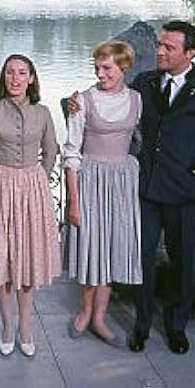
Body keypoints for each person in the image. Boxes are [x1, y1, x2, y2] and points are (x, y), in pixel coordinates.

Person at [67, 21, 195, 355]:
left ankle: (176, 326)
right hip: (144, 190)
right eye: (160, 45)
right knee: (140, 260)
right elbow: (109, 91)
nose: (160, 51)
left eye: (169, 47)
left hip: (185, 191)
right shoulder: (145, 83)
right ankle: (142, 325)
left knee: (182, 261)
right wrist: (73, 102)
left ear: (190, 53)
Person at [0, 54, 60, 357]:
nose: (16, 78)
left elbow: (51, 151)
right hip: (0, 185)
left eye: (22, 73)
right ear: (3, 77)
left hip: (32, 188)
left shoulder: (43, 112)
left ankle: (26, 326)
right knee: (3, 256)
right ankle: (8, 325)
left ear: (32, 78)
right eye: (10, 72)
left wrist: (37, 180)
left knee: (28, 258)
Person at [62, 41, 142, 349]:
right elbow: (71, 153)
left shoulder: (137, 100)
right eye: (97, 68)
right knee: (90, 248)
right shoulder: (82, 101)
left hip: (121, 183)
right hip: (91, 179)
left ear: (124, 67)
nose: (101, 74)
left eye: (107, 68)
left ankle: (100, 316)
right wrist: (73, 200)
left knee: (110, 250)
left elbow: (142, 139)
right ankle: (84, 311)